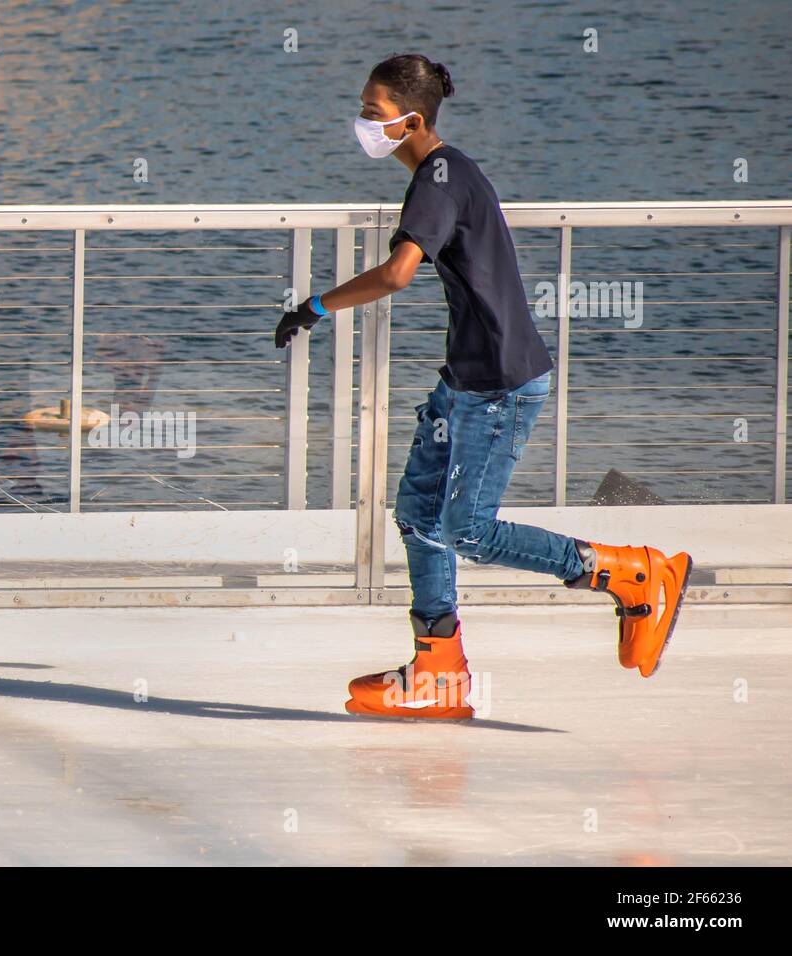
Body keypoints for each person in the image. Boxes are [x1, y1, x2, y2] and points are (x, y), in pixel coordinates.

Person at [274, 54, 692, 720]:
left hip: (499, 383)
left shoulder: (438, 178)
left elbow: (397, 274)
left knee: (467, 529)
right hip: (465, 380)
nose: (362, 123)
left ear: (412, 119)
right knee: (418, 514)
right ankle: (439, 668)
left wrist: (317, 306)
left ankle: (627, 570)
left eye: (372, 112)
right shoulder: (447, 171)